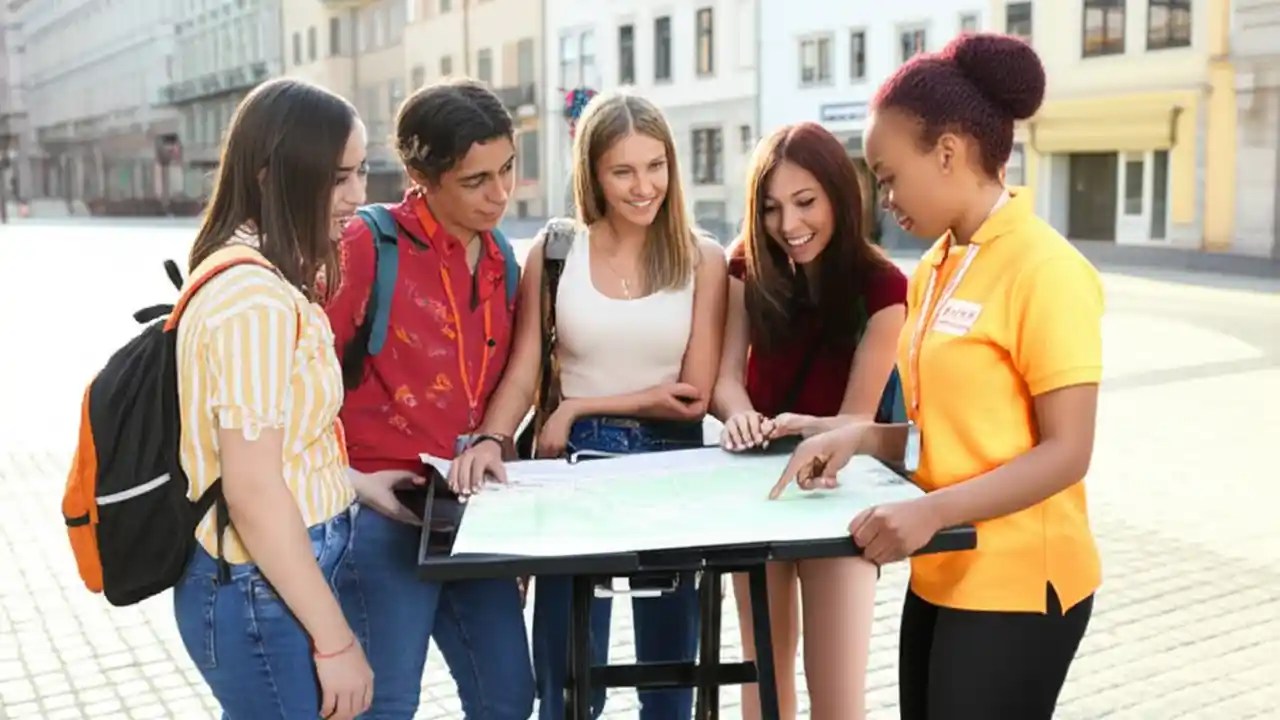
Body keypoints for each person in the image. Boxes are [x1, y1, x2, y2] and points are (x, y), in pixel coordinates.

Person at [771, 33, 1101, 720]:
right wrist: (859, 437)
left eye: (888, 176)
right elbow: (939, 438)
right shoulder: (937, 270)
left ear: (947, 152)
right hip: (943, 567)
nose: (882, 197)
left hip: (1017, 583)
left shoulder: (1047, 269)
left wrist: (930, 511)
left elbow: (1068, 452)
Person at [448, 90, 729, 720]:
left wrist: (579, 408)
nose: (643, 187)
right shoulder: (555, 252)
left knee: (670, 677)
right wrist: (492, 441)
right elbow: (522, 373)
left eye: (655, 166)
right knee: (566, 678)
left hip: (670, 465)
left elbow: (690, 398)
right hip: (569, 471)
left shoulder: (702, 258)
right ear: (594, 174)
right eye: (623, 170)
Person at [323, 78, 534, 719]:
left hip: (471, 514)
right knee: (384, 706)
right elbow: (295, 384)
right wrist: (349, 480)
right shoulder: (364, 246)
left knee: (507, 697)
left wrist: (500, 453)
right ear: (422, 174)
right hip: (382, 516)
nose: (500, 194)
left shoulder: (501, 255)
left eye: (507, 170)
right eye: (477, 180)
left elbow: (510, 385)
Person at [171, 78, 373, 720]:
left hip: (274, 582)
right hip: (263, 590)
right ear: (271, 176)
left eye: (361, 172)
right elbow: (253, 492)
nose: (358, 197)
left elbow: (278, 448)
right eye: (338, 178)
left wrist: (359, 484)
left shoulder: (262, 277)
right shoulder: (252, 299)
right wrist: (336, 640)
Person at [712, 122, 907, 720]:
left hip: (839, 497)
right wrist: (740, 416)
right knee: (763, 684)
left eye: (805, 203)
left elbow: (854, 419)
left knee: (838, 696)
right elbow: (725, 380)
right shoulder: (744, 266)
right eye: (770, 208)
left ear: (839, 196)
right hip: (758, 490)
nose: (788, 225)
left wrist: (809, 429)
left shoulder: (884, 288)